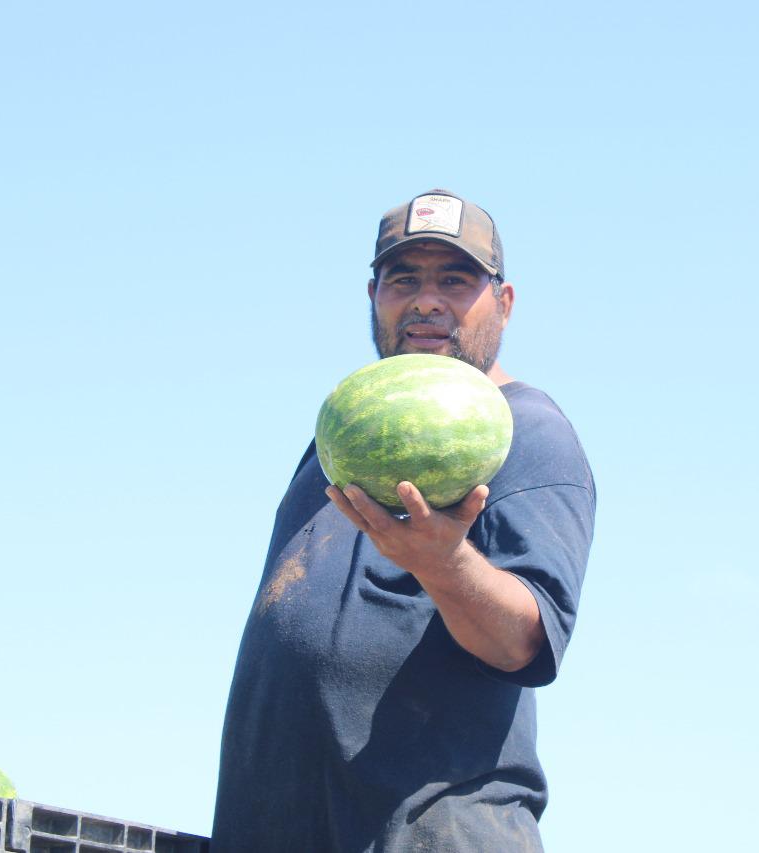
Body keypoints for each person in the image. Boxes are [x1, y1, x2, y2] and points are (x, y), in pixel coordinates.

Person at [211, 190, 596, 852]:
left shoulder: (528, 432)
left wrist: (444, 564)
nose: (426, 301)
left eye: (456, 280)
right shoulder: (341, 435)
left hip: (434, 834)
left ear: (504, 303)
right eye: (404, 279)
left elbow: (525, 640)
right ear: (373, 296)